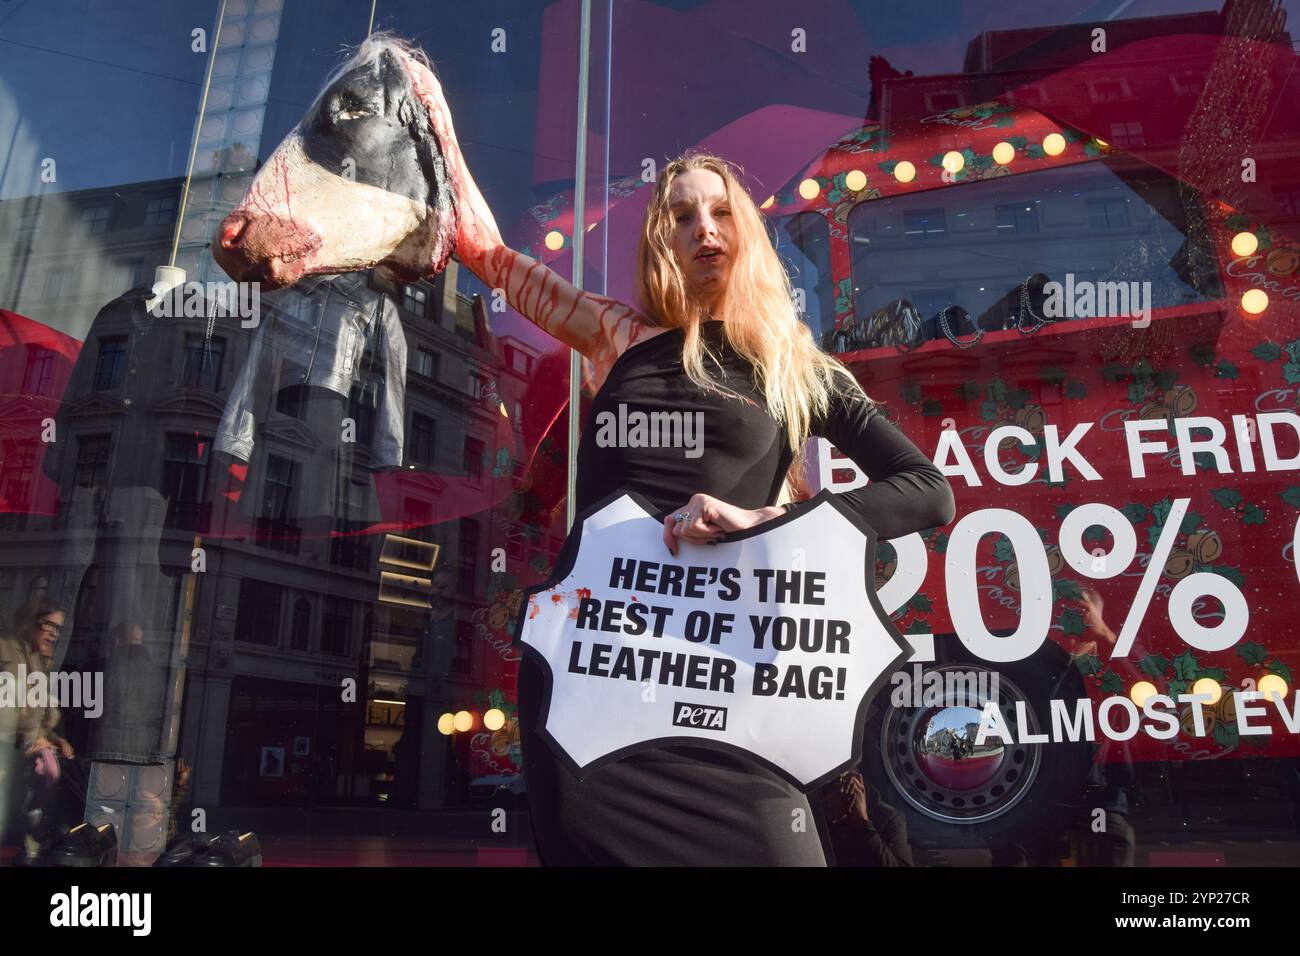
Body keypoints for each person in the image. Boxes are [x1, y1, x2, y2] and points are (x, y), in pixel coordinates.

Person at [424, 73, 955, 864]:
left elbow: (927, 491)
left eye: (720, 213)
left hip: (741, 690)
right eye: (682, 217)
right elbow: (494, 259)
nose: (704, 229)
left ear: (745, 233)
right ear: (662, 242)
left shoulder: (795, 368)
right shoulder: (619, 337)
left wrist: (768, 521)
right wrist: (429, 104)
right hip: (600, 688)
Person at [822, 770, 913, 866]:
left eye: (834, 786)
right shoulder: (824, 804)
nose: (827, 796)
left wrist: (863, 822)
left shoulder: (889, 819)